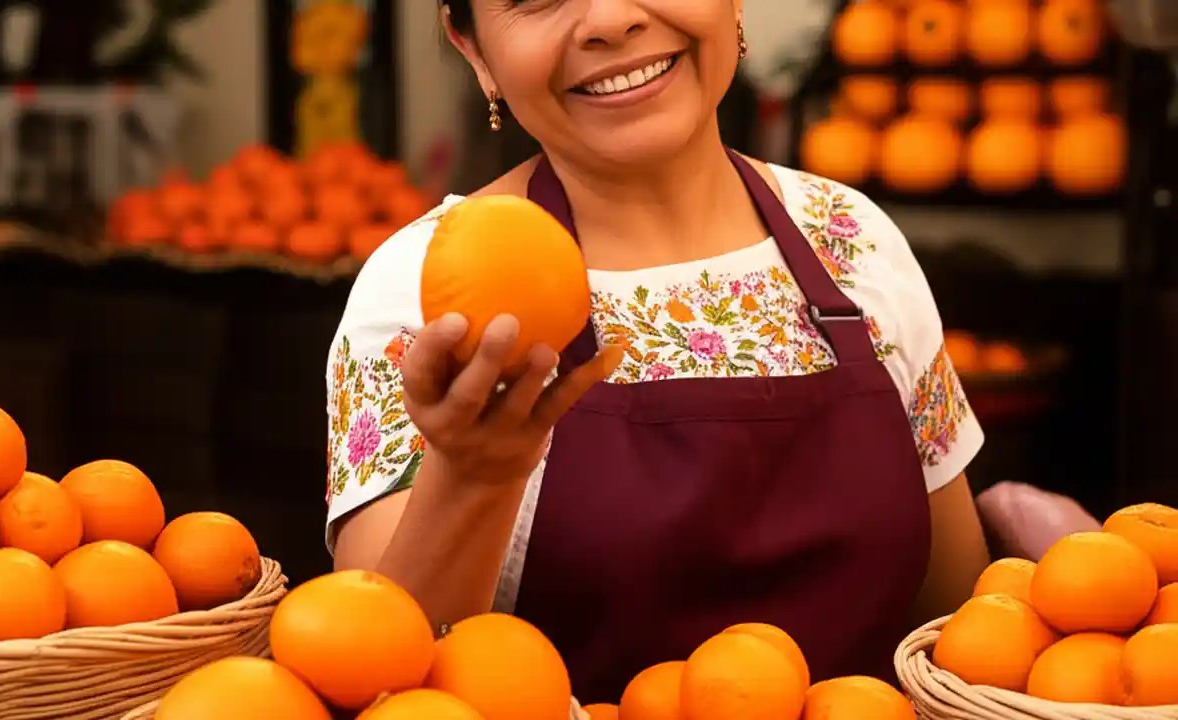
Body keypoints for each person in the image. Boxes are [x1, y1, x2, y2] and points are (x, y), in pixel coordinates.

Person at [326, 0, 991, 703]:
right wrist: (469, 475)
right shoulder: (426, 292)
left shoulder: (856, 241)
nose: (609, 18)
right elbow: (376, 683)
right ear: (475, 49)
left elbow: (961, 639)